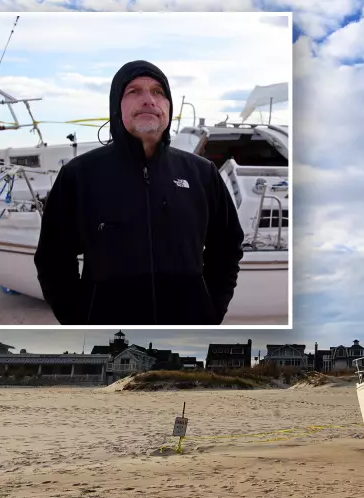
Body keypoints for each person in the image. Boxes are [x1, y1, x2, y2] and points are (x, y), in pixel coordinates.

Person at [34, 59, 245, 325]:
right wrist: (78, 321)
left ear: (168, 106)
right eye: (134, 91)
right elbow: (53, 257)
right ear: (116, 106)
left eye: (158, 92)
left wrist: (210, 311)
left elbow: (226, 246)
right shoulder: (80, 175)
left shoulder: (201, 173)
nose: (149, 100)